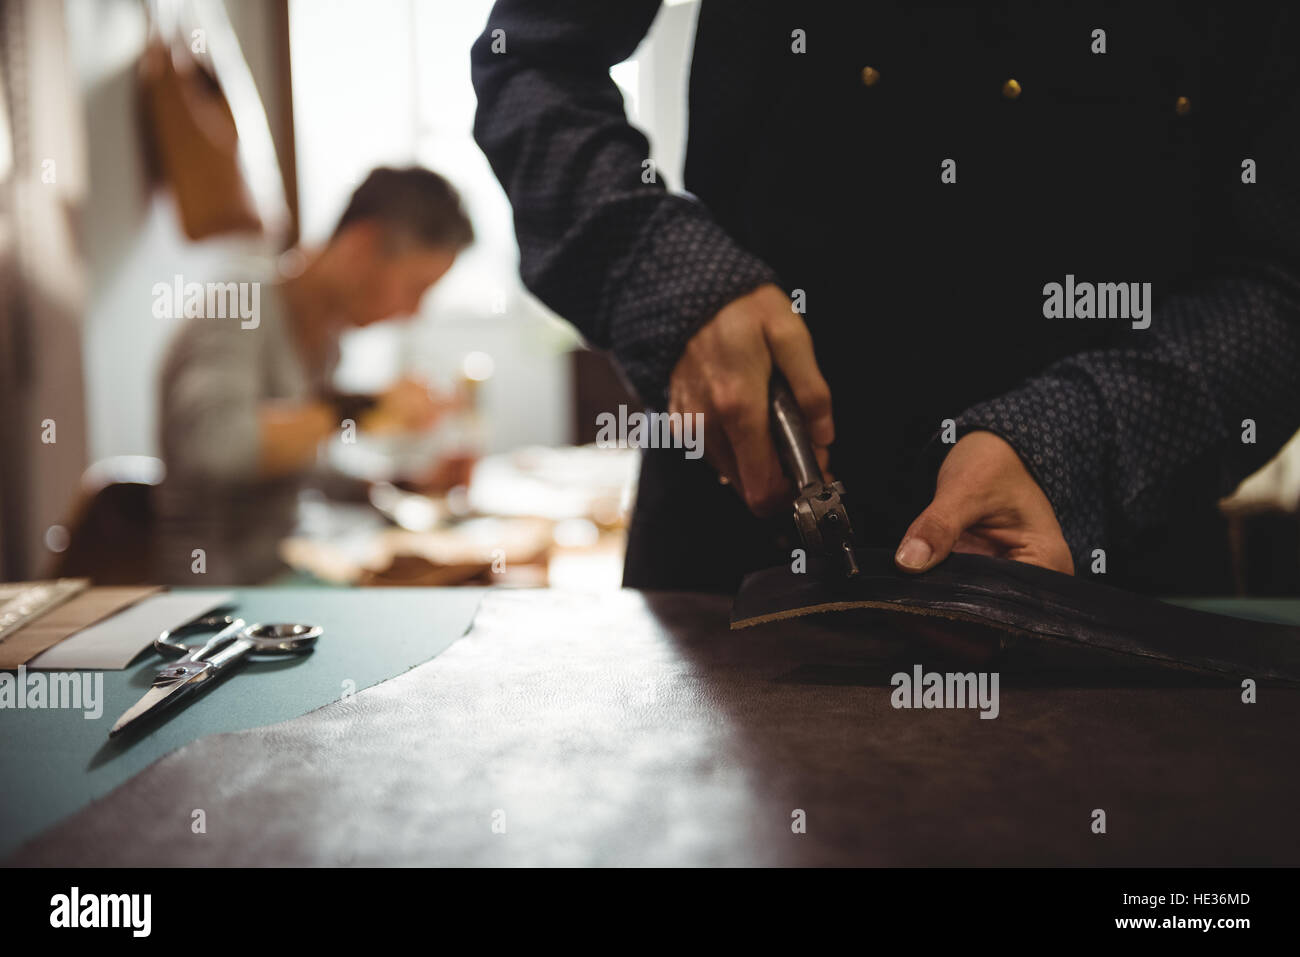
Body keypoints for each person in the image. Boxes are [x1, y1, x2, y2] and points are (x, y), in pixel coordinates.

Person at [471, 3, 1300, 594]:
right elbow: (531, 55)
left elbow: (1285, 277)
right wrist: (655, 265)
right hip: (737, 568)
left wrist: (1086, 441)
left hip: (1119, 589)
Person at [153, 166, 475, 584]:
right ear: (363, 245)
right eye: (416, 288)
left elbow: (299, 464)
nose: (414, 312)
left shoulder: (326, 342)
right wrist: (367, 408)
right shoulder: (239, 305)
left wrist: (406, 484)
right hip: (213, 597)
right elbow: (217, 447)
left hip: (285, 570)